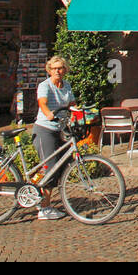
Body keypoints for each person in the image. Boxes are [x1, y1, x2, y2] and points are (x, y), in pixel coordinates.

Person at [34, 56, 77, 221]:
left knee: (62, 166)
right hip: (45, 129)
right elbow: (42, 103)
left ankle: (40, 195)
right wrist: (48, 114)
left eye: (60, 68)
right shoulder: (44, 86)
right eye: (54, 68)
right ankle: (44, 209)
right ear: (49, 70)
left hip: (60, 129)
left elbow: (71, 103)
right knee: (51, 168)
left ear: (65, 70)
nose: (57, 71)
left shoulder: (66, 85)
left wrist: (79, 111)